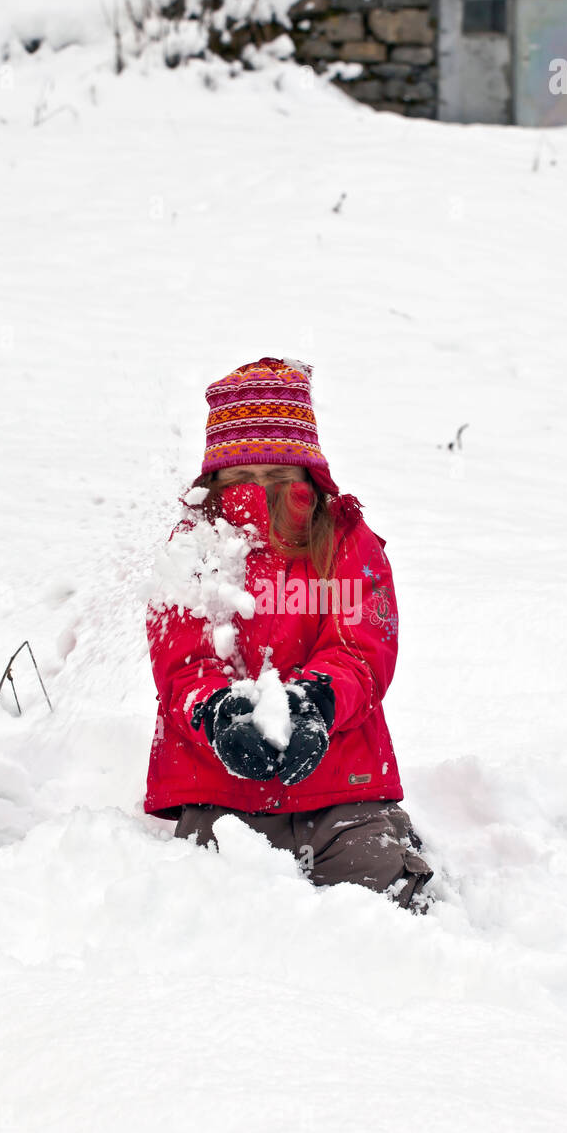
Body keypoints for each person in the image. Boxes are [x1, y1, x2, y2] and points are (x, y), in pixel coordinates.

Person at [144, 355, 433, 912]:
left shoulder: (346, 540)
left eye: (278, 477)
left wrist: (316, 702)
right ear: (215, 479)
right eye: (241, 477)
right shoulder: (192, 546)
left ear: (307, 475)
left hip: (342, 783)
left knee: (383, 891)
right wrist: (218, 711)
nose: (259, 492)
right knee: (212, 908)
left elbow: (361, 648)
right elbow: (182, 661)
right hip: (218, 782)